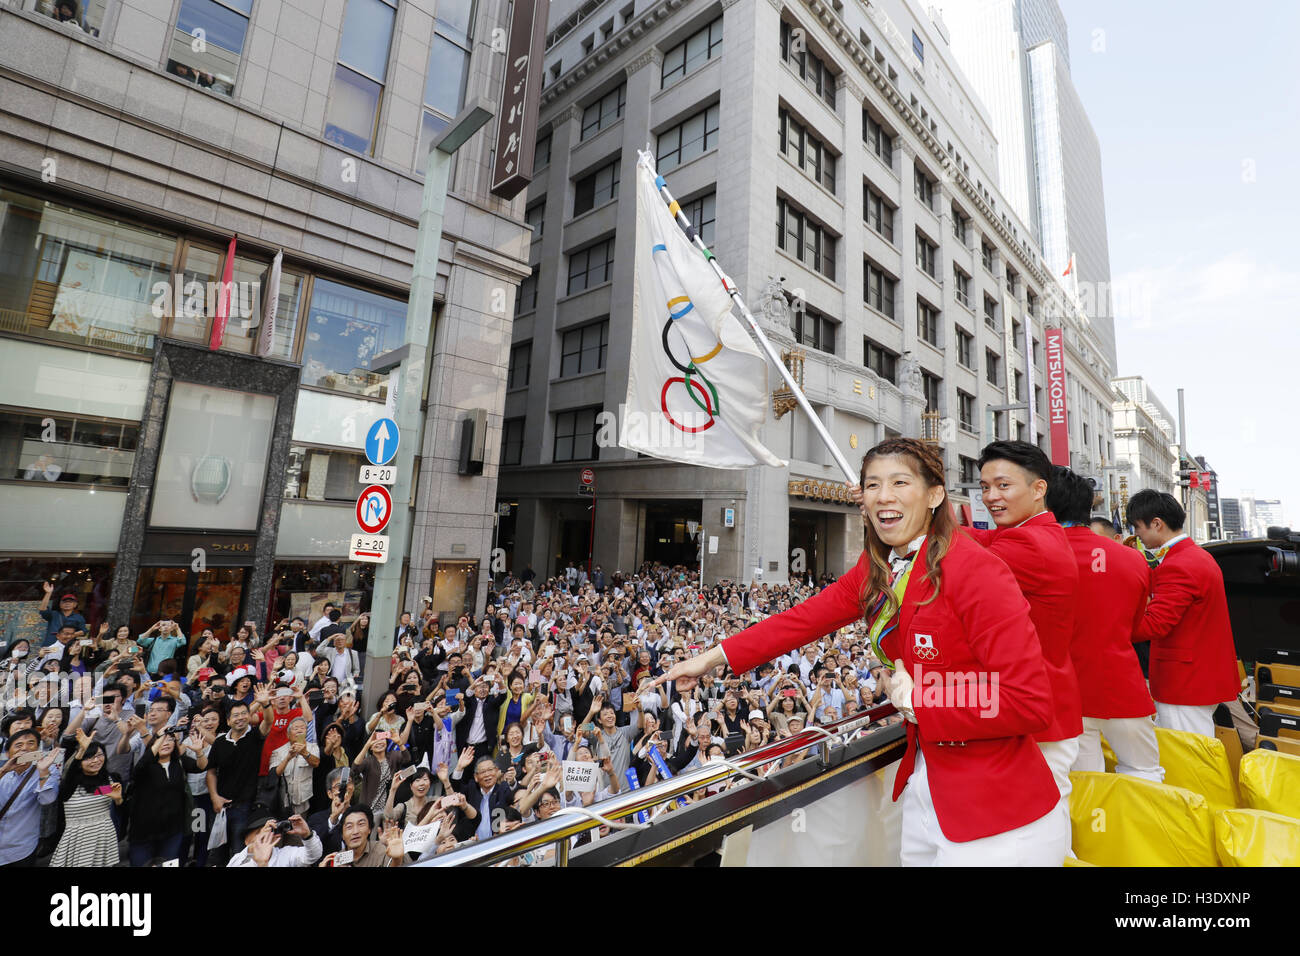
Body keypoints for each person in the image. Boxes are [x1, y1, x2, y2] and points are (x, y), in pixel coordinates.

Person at [656, 438, 1062, 866]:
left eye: (900, 482)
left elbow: (1029, 700)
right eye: (872, 485)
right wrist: (708, 659)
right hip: (927, 787)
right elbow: (799, 621)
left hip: (1000, 814)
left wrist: (918, 699)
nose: (883, 495)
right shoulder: (879, 567)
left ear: (935, 495)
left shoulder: (977, 569)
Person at [971, 440, 1083, 817]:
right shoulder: (1033, 533)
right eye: (985, 487)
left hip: (1033, 710)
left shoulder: (1027, 543)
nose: (991, 496)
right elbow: (977, 537)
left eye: (1003, 485)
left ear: (1039, 490)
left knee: (1038, 829)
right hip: (1048, 703)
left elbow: (959, 553)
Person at [1047, 469, 1163, 782]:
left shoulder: (1036, 555)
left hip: (1067, 692)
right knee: (1145, 773)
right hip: (1122, 683)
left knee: (1086, 785)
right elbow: (1137, 624)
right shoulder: (1132, 558)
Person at [1129, 490, 1241, 738]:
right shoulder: (1195, 556)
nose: (1137, 535)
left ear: (1157, 523)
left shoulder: (1178, 565)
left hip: (1184, 680)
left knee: (1189, 755)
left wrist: (1111, 625)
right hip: (1197, 675)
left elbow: (1153, 625)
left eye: (1138, 527)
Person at [127, 725, 207, 865]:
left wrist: (199, 751)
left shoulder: (179, 762)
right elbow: (140, 766)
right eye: (162, 740)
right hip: (144, 832)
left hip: (172, 831)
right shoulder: (146, 765)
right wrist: (161, 735)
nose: (166, 743)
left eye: (170, 740)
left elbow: (201, 766)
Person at [51, 740, 121, 866]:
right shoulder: (71, 784)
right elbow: (70, 774)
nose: (96, 760)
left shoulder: (109, 779)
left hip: (104, 835)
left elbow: (117, 806)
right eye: (88, 757)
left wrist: (118, 800)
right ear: (79, 762)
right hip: (78, 839)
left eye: (100, 755)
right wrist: (81, 751)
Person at [0, 729, 61, 866]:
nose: (25, 748)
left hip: (20, 851)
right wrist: (3, 770)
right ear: (8, 752)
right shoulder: (4, 773)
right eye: (18, 745)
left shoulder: (47, 770)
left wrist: (43, 771)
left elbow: (48, 799)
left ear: (37, 749)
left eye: (31, 743)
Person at [227, 809, 322, 867]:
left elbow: (313, 856)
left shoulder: (285, 854)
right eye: (258, 833)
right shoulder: (238, 860)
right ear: (246, 841)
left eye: (270, 830)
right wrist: (259, 860)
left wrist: (307, 835)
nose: (265, 835)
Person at [318, 806, 406, 867]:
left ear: (369, 830)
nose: (355, 831)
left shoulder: (382, 850)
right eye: (349, 827)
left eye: (361, 824)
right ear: (342, 835)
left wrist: (396, 860)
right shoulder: (336, 860)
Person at [37, 583, 86, 647]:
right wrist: (48, 593)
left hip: (67, 646)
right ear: (60, 604)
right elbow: (42, 609)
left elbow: (84, 631)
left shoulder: (78, 617)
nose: (67, 604)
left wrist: (70, 635)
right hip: (50, 644)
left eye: (70, 602)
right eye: (64, 602)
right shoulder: (54, 614)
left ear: (75, 605)